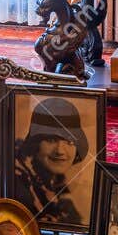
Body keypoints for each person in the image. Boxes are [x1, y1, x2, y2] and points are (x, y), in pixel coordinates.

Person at [11, 96, 90, 227]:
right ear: (35, 144)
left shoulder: (57, 185)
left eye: (69, 142)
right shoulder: (20, 185)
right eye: (51, 140)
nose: (60, 151)